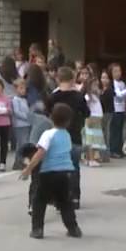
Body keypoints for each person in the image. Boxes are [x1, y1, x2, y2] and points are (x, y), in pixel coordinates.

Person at [20, 102, 82, 240]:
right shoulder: (66, 135)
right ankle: (73, 228)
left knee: (39, 201)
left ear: (51, 117)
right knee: (65, 202)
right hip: (66, 172)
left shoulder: (48, 134)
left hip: (48, 172)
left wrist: (28, 168)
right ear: (68, 121)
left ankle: (37, 229)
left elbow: (40, 153)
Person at [46, 67, 90, 209]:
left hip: (57, 136)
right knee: (74, 167)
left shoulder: (53, 97)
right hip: (74, 135)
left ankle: (58, 197)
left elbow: (47, 113)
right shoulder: (78, 96)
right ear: (72, 80)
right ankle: (75, 197)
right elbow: (87, 113)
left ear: (57, 79)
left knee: (57, 168)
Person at [83, 74, 107, 167]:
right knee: (91, 140)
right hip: (91, 119)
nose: (96, 87)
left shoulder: (96, 96)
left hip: (97, 119)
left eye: (97, 85)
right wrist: (87, 117)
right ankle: (90, 158)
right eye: (94, 85)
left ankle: (92, 157)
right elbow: (86, 107)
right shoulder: (88, 96)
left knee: (95, 139)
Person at [108, 63, 126, 159]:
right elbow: (119, 95)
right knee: (115, 131)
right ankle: (113, 150)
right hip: (115, 109)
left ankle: (119, 149)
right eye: (115, 71)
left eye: (119, 71)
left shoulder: (122, 83)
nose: (118, 73)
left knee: (120, 130)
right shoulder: (113, 83)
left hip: (122, 109)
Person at [9, 77, 32, 171]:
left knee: (24, 143)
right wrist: (27, 117)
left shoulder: (24, 100)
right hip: (20, 125)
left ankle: (20, 161)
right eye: (21, 88)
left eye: (24, 88)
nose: (23, 90)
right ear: (15, 89)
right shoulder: (15, 100)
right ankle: (19, 161)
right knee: (22, 143)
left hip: (26, 124)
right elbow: (17, 112)